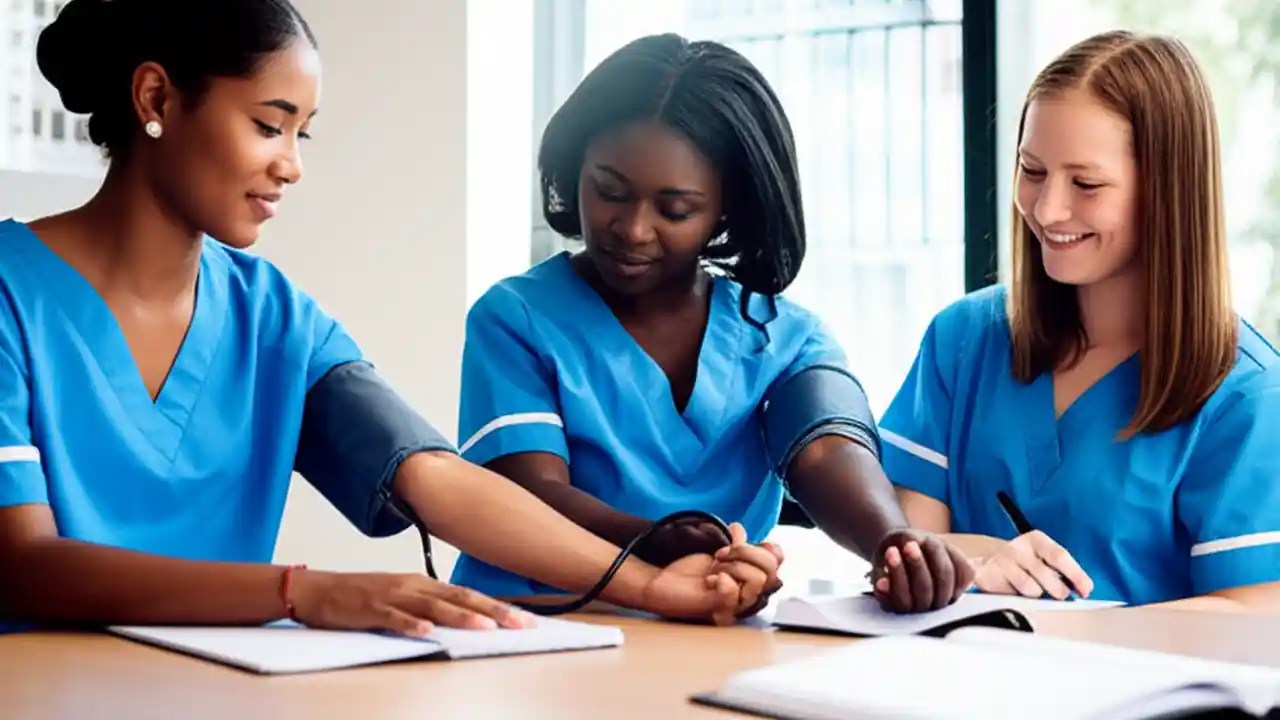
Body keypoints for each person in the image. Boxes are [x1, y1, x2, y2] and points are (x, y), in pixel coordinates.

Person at [0, 0, 783, 636]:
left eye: (301, 134)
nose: (292, 165)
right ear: (156, 98)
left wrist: (656, 587)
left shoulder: (271, 317)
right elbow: (22, 564)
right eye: (268, 125)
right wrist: (302, 593)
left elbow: (436, 479)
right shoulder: (11, 291)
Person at [449, 33, 973, 614]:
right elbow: (527, 494)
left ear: (728, 208)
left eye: (675, 210)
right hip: (529, 627)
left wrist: (892, 542)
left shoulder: (784, 339)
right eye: (609, 192)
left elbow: (827, 451)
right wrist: (650, 538)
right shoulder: (517, 319)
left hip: (705, 630)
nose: (633, 229)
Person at [881, 30, 1280, 610]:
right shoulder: (962, 341)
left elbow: (1251, 617)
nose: (1047, 209)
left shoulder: (1247, 396)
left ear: (1166, 193)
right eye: (1032, 171)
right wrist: (981, 559)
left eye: (1085, 184)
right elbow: (904, 548)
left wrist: (1078, 631)